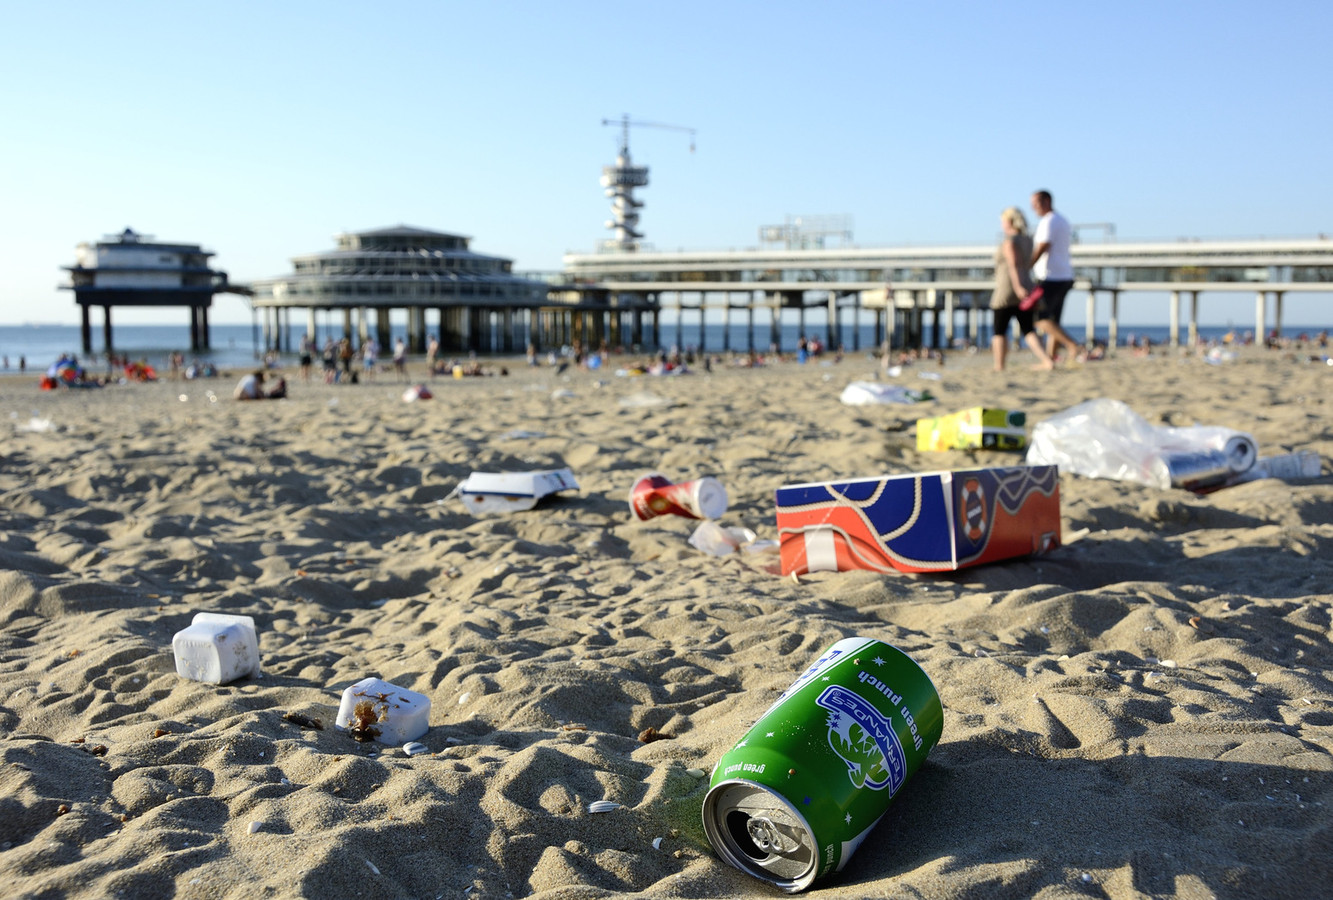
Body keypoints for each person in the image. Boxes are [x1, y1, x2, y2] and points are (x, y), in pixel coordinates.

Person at [991, 207, 1054, 372]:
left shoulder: (1010, 241)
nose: (1001, 224)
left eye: (1003, 221)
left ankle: (999, 365)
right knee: (1028, 328)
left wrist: (1017, 287)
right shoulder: (1027, 240)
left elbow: (1013, 265)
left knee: (999, 329)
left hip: (1008, 289)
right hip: (1027, 286)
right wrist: (1024, 286)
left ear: (1009, 222)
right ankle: (1047, 360)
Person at [1029, 190, 1083, 362]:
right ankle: (1051, 357)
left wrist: (1027, 266)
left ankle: (1072, 345)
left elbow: (1043, 245)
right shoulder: (1063, 220)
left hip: (1051, 276)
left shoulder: (1049, 221)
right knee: (1054, 321)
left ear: (1046, 201)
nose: (1033, 208)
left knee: (1039, 318)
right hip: (1064, 275)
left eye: (1035, 204)